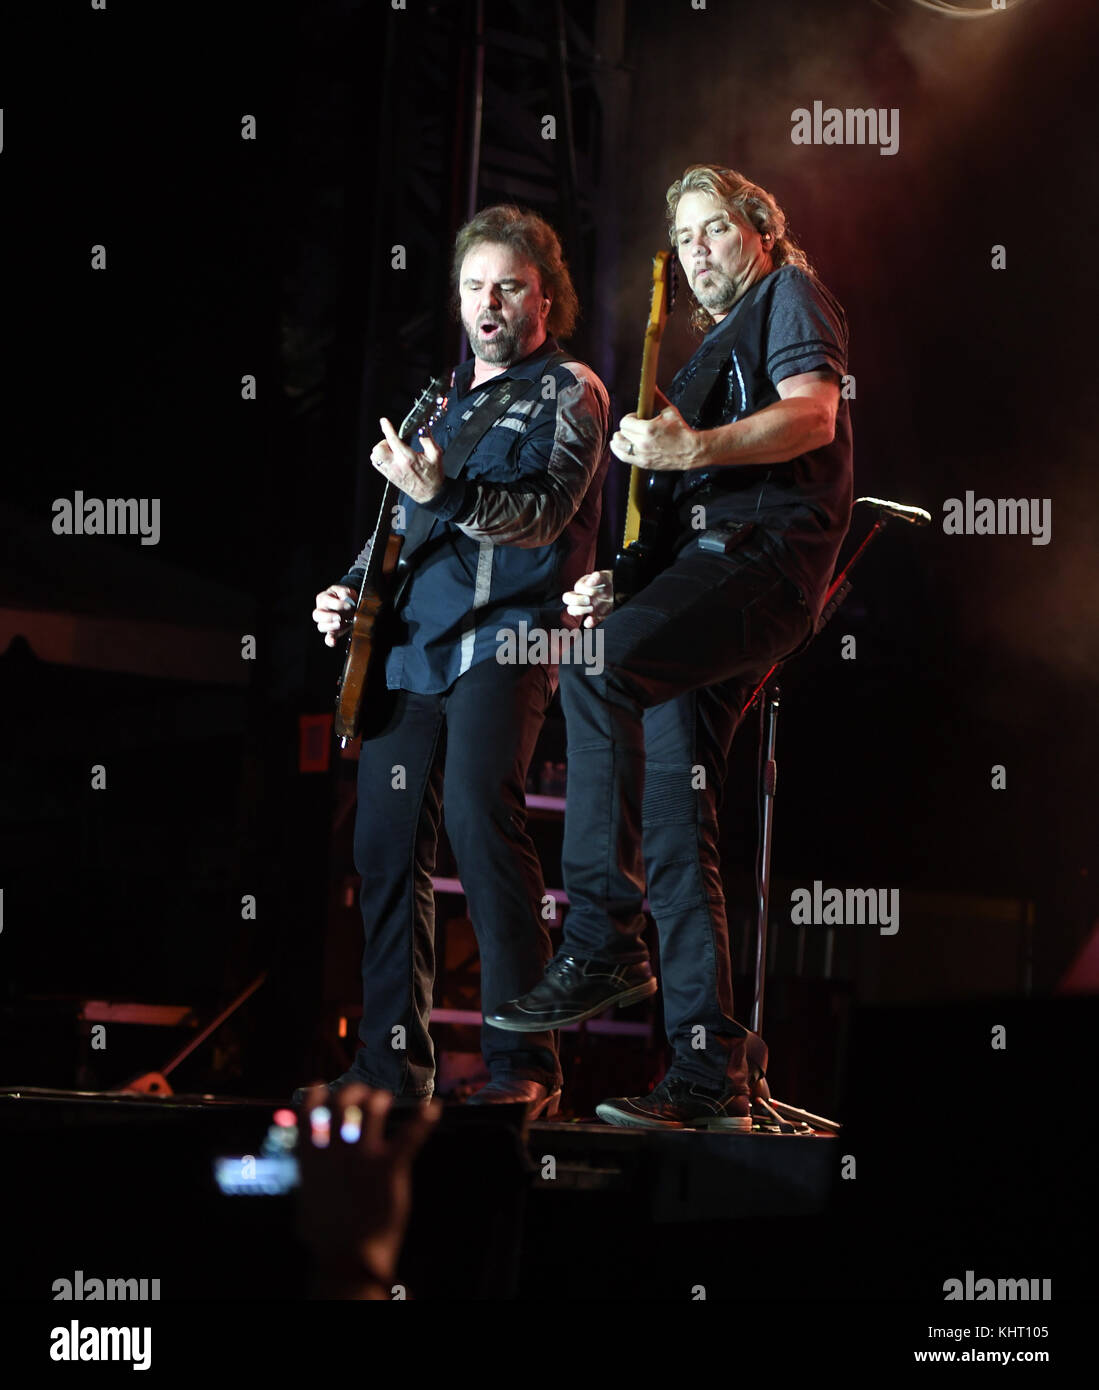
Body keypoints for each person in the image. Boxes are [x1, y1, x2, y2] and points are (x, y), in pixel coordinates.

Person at [489, 164, 853, 1131]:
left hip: (762, 565)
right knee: (679, 833)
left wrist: (689, 450)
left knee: (597, 667)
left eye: (715, 231)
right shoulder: (698, 363)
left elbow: (812, 413)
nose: (697, 252)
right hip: (706, 583)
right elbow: (684, 510)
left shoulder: (790, 293)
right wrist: (628, 578)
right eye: (683, 239)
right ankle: (706, 1075)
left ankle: (602, 932)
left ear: (760, 233)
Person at [301, 206, 611, 1118]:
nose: (489, 302)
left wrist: (443, 486)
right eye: (475, 286)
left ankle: (527, 1062)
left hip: (504, 643)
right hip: (407, 652)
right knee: (382, 851)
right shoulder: (436, 402)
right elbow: (396, 528)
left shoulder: (571, 390)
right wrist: (348, 593)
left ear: (542, 298)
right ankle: (390, 1068)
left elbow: (545, 517)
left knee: (482, 824)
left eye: (508, 285)